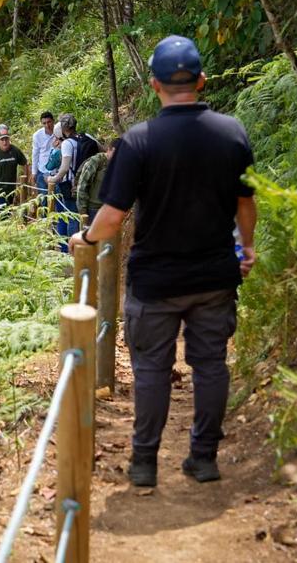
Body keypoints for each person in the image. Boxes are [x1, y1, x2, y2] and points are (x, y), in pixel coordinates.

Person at [70, 35, 258, 489]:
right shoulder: (231, 132)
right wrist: (246, 248)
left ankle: (144, 463)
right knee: (211, 364)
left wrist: (86, 237)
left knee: (151, 369)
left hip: (155, 280)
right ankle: (204, 458)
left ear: (154, 84)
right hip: (214, 275)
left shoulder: (139, 140)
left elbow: (112, 217)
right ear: (202, 80)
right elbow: (245, 201)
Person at [46, 114, 80, 251]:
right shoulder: (84, 138)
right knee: (79, 217)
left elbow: (51, 166)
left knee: (66, 218)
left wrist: (52, 179)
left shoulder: (64, 146)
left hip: (66, 185)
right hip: (83, 184)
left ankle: (68, 251)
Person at [76, 138, 119, 223]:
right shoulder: (96, 161)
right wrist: (83, 210)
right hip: (93, 209)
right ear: (109, 150)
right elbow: (82, 185)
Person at [0, 125, 28, 206]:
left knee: (9, 209)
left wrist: (24, 179)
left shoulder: (15, 151)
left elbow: (25, 163)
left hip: (12, 189)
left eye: (6, 139)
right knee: (3, 211)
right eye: (2, 140)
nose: (5, 142)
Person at [31, 111, 55, 197]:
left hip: (56, 171)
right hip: (42, 169)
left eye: (49, 122)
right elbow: (35, 154)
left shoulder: (59, 132)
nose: (47, 125)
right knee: (43, 198)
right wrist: (34, 172)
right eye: (44, 123)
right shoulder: (37, 135)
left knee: (57, 197)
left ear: (53, 121)